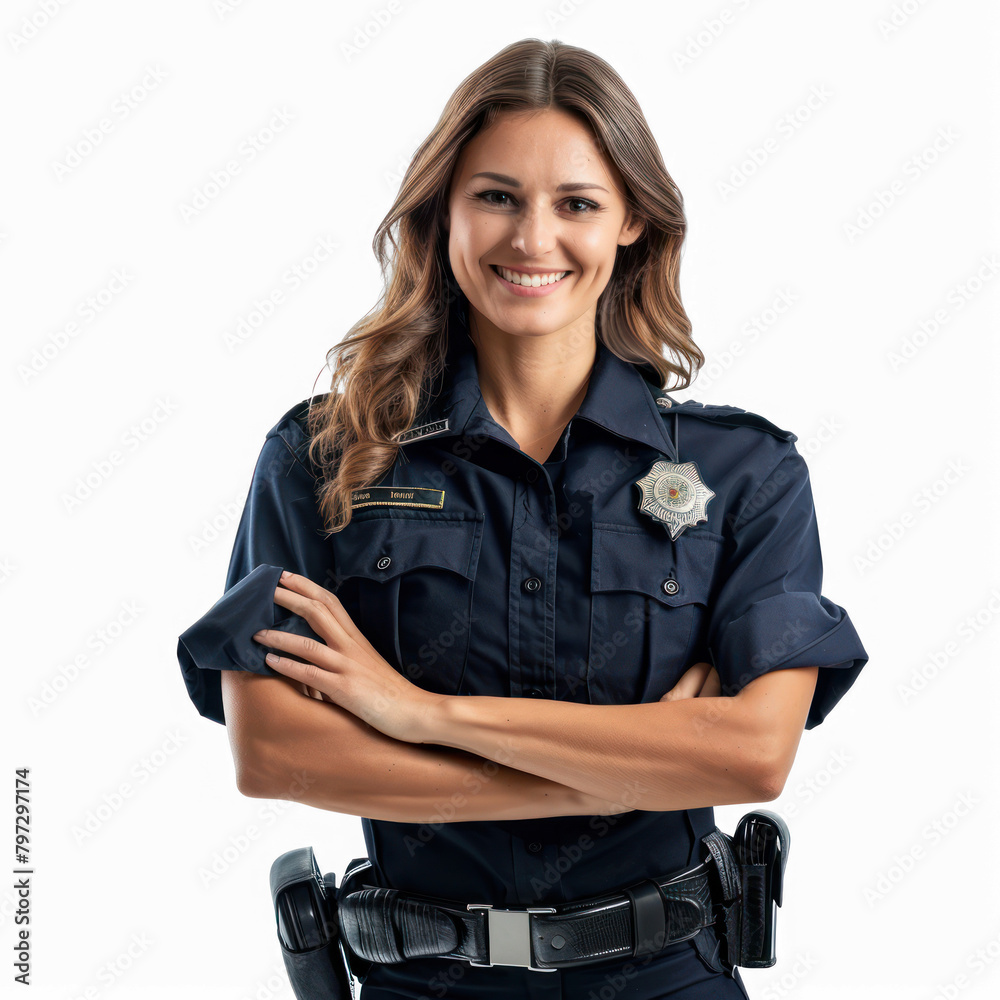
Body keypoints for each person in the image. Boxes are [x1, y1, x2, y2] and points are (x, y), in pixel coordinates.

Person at [176, 38, 869, 1000]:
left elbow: (754, 756)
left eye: (576, 203)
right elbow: (275, 752)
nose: (532, 240)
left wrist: (420, 716)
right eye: (496, 196)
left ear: (632, 221)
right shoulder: (324, 459)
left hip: (668, 980)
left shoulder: (748, 473)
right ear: (442, 214)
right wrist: (628, 772)